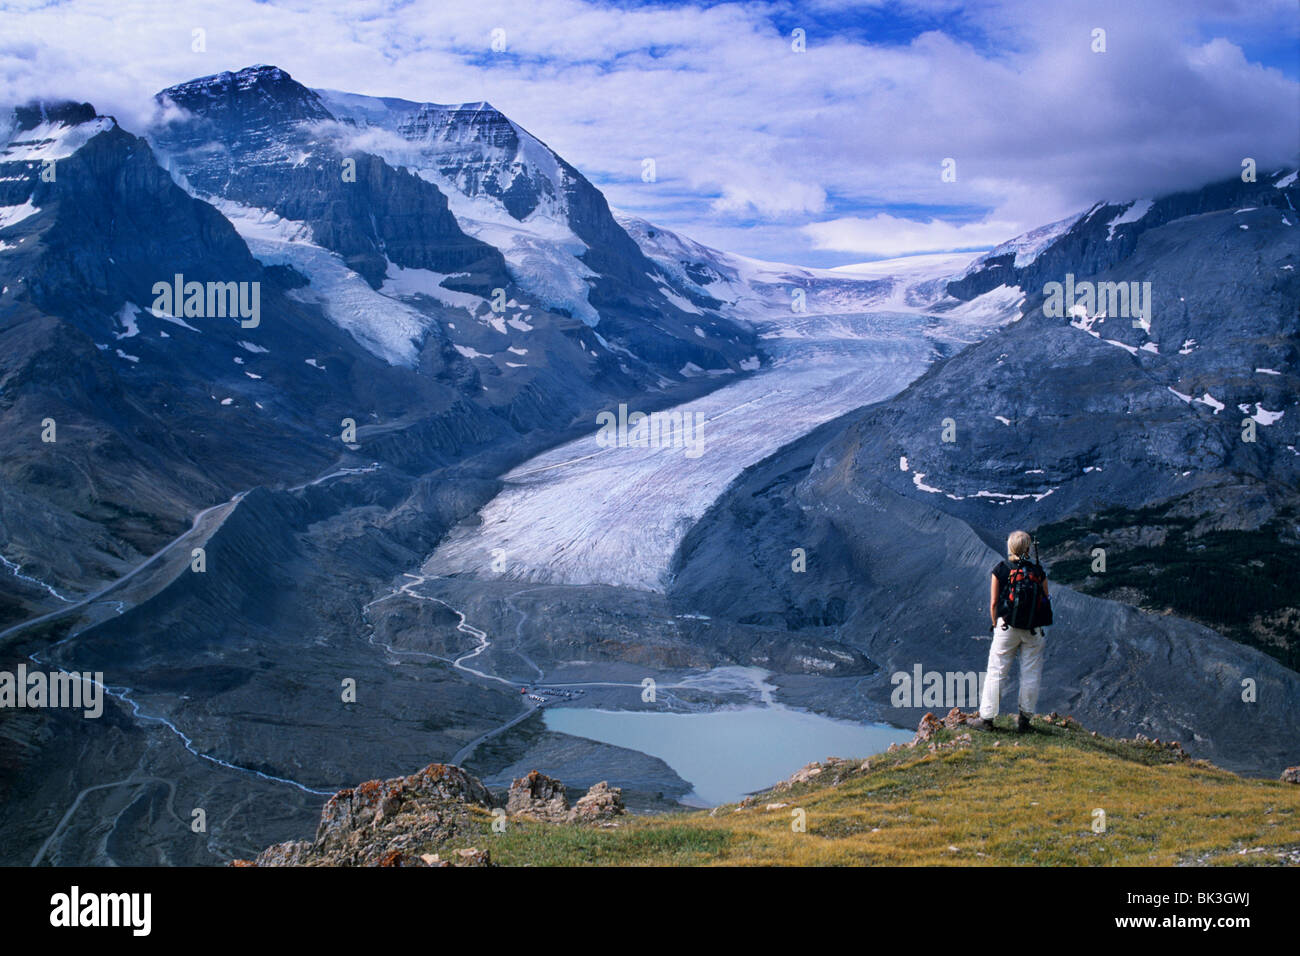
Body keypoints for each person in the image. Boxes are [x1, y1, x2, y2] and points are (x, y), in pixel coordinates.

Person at [970, 531, 1049, 733]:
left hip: (1007, 627)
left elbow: (994, 602)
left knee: (997, 671)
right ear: (1028, 549)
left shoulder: (1001, 569)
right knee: (1030, 674)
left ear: (1010, 548)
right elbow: (1045, 599)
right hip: (1033, 629)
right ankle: (1025, 721)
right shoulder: (1037, 572)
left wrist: (996, 623)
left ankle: (986, 719)